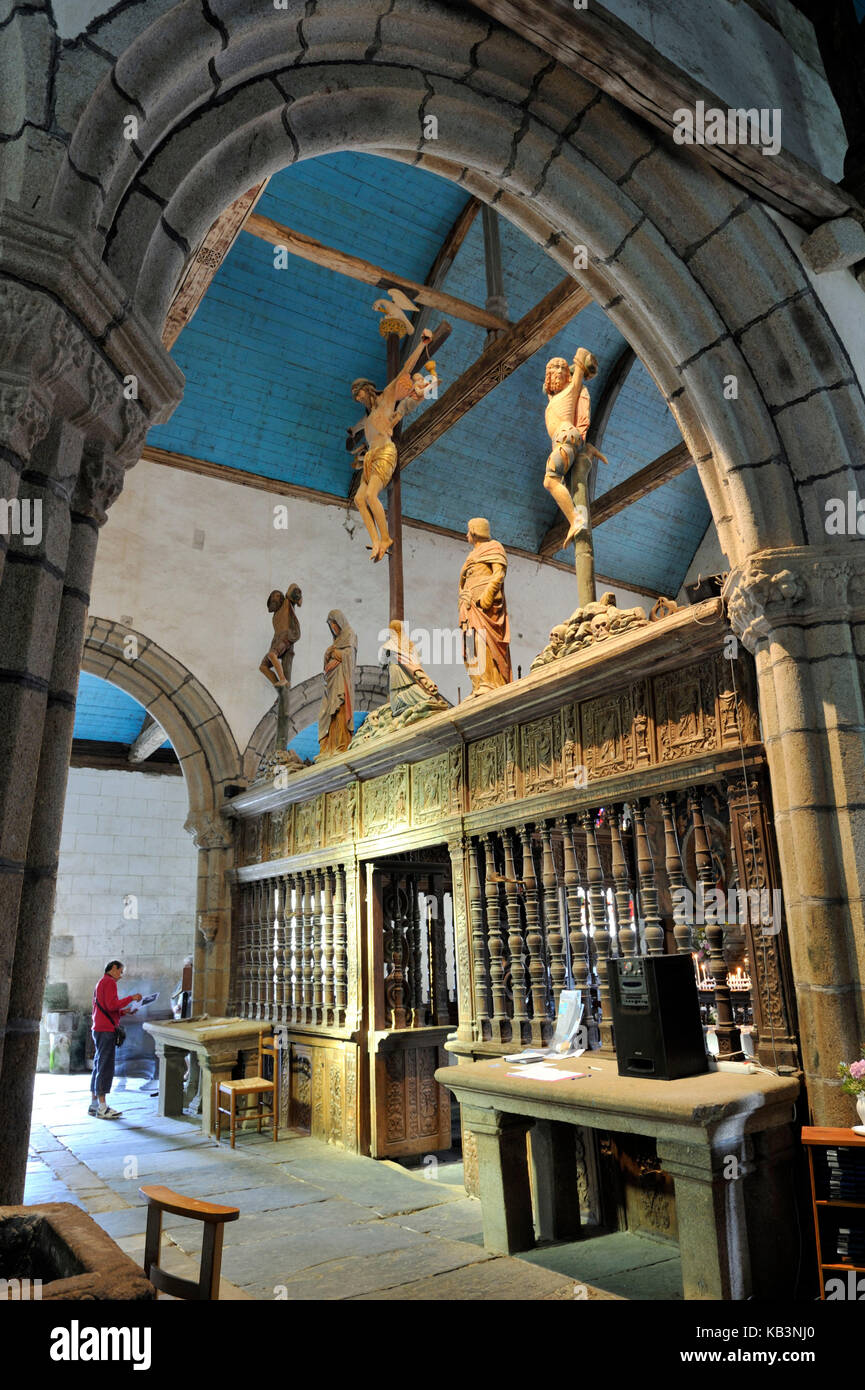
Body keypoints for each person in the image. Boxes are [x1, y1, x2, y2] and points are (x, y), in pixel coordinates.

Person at [348, 327, 435, 561]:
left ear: (367, 389)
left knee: (371, 496)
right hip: (371, 456)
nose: (360, 400)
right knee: (359, 499)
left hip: (385, 452)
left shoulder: (386, 397)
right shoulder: (370, 416)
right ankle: (376, 540)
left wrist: (422, 344)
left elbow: (406, 369)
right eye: (357, 399)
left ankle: (385, 538)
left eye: (360, 395)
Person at [89, 960, 141, 1119]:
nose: (121, 975)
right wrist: (131, 997)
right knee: (105, 1067)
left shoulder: (101, 982)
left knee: (98, 1065)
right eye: (120, 971)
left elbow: (106, 1008)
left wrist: (124, 1012)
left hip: (99, 1028)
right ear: (113, 968)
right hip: (105, 1030)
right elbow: (112, 1005)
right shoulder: (109, 982)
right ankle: (103, 1107)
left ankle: (94, 1105)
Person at [317, 610, 357, 758]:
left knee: (340, 709)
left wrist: (333, 653)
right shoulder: (336, 642)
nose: (333, 627)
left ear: (339, 622)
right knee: (327, 713)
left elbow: (348, 657)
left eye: (334, 624)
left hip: (342, 680)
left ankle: (341, 744)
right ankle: (330, 747)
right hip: (332, 683)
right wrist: (327, 654)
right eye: (330, 625)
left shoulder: (350, 635)